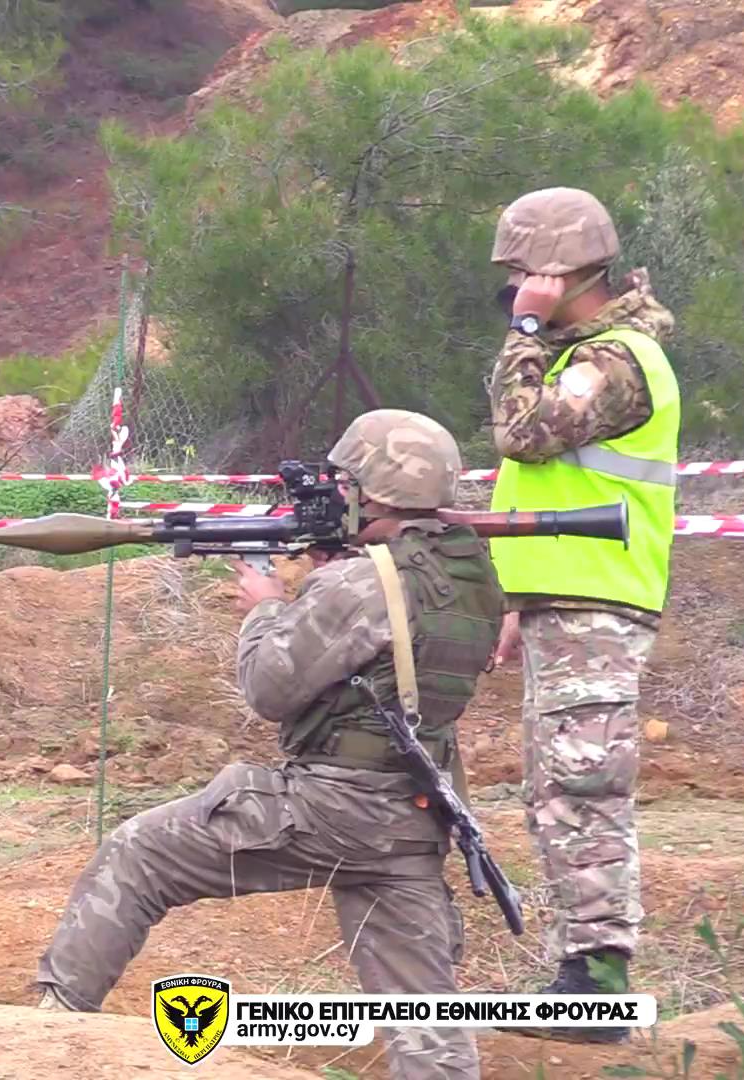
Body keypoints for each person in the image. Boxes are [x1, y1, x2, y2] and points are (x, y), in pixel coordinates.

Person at [34, 409, 504, 1080]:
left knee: (138, 854)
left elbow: (269, 688)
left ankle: (45, 1035)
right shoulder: (469, 576)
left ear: (368, 491)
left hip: (334, 806)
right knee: (423, 1014)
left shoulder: (360, 581)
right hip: (412, 815)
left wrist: (266, 603)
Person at [484, 186, 679, 1042]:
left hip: (600, 604)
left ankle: (597, 984)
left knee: (584, 786)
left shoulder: (619, 359)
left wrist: (521, 334)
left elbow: (522, 435)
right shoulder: (585, 355)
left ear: (564, 270)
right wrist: (523, 597)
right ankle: (580, 973)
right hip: (567, 603)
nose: (517, 286)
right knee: (556, 791)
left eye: (526, 272)